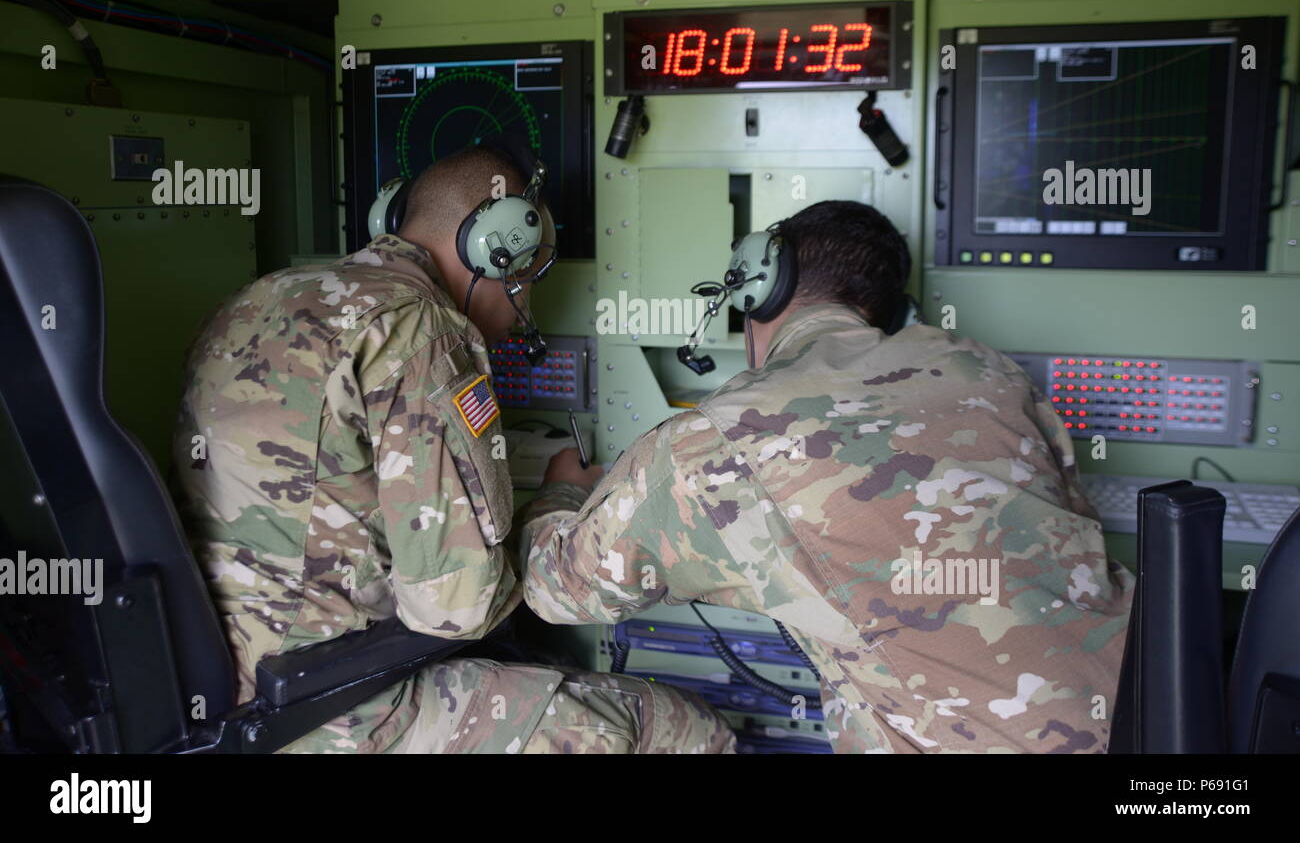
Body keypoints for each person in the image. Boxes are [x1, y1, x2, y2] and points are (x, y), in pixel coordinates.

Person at [171, 141, 733, 754]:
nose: (523, 314)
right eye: (525, 279)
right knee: (686, 731)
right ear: (497, 249)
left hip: (221, 690)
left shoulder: (255, 297)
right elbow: (456, 608)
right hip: (331, 714)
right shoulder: (419, 329)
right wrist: (559, 498)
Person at [520, 200, 1135, 754]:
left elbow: (557, 589)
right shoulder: (989, 370)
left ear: (759, 288)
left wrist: (560, 492)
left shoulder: (720, 438)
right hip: (1154, 707)